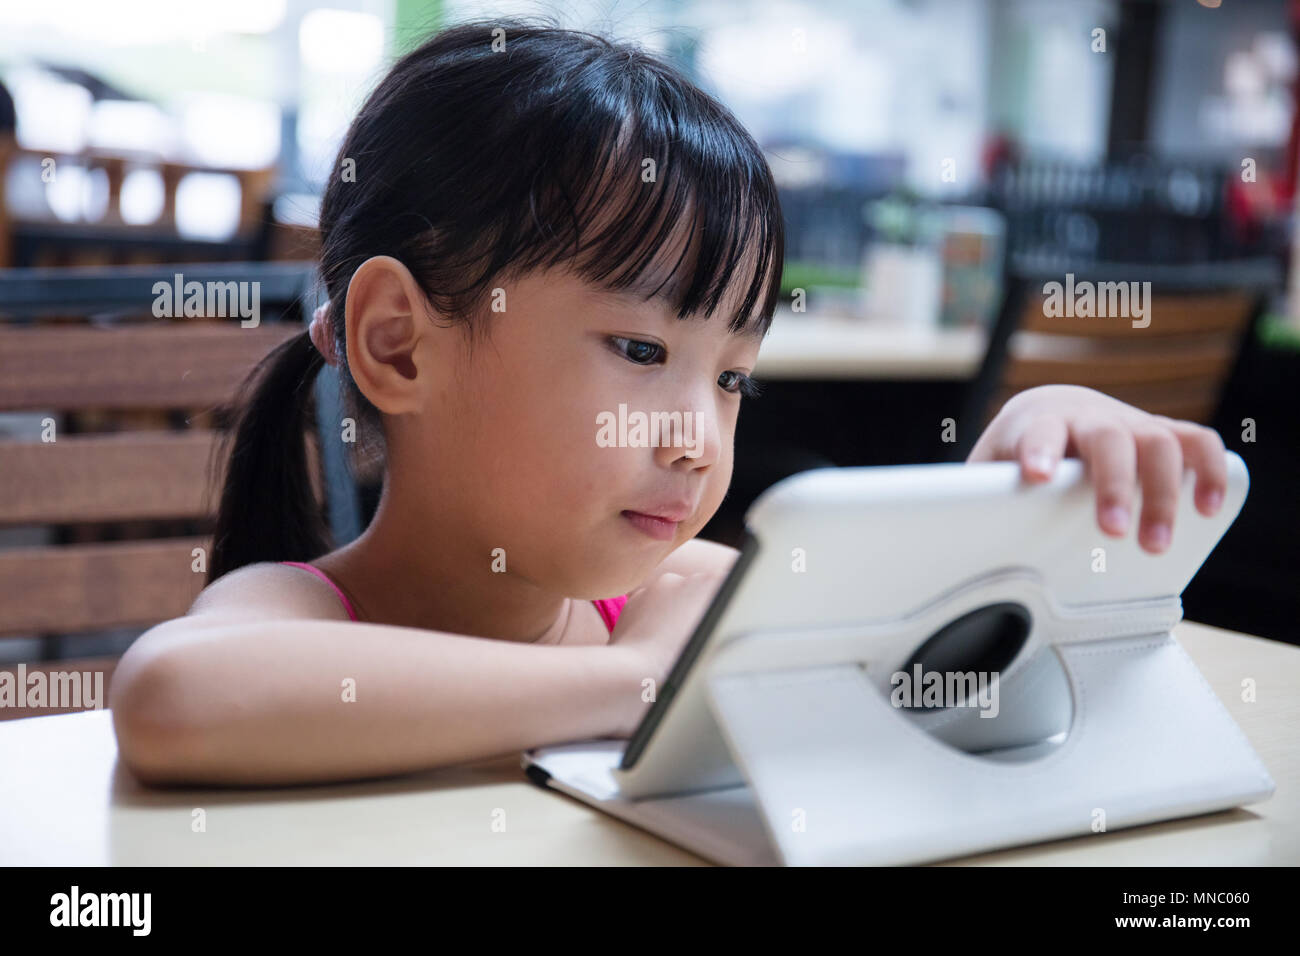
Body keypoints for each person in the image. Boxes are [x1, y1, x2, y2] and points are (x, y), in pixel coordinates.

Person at [109, 18, 1232, 788]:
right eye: (641, 347)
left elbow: (936, 682)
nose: (698, 439)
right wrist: (648, 686)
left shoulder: (675, 592)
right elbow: (174, 694)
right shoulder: (300, 613)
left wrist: (1018, 484)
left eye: (733, 376)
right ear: (399, 344)